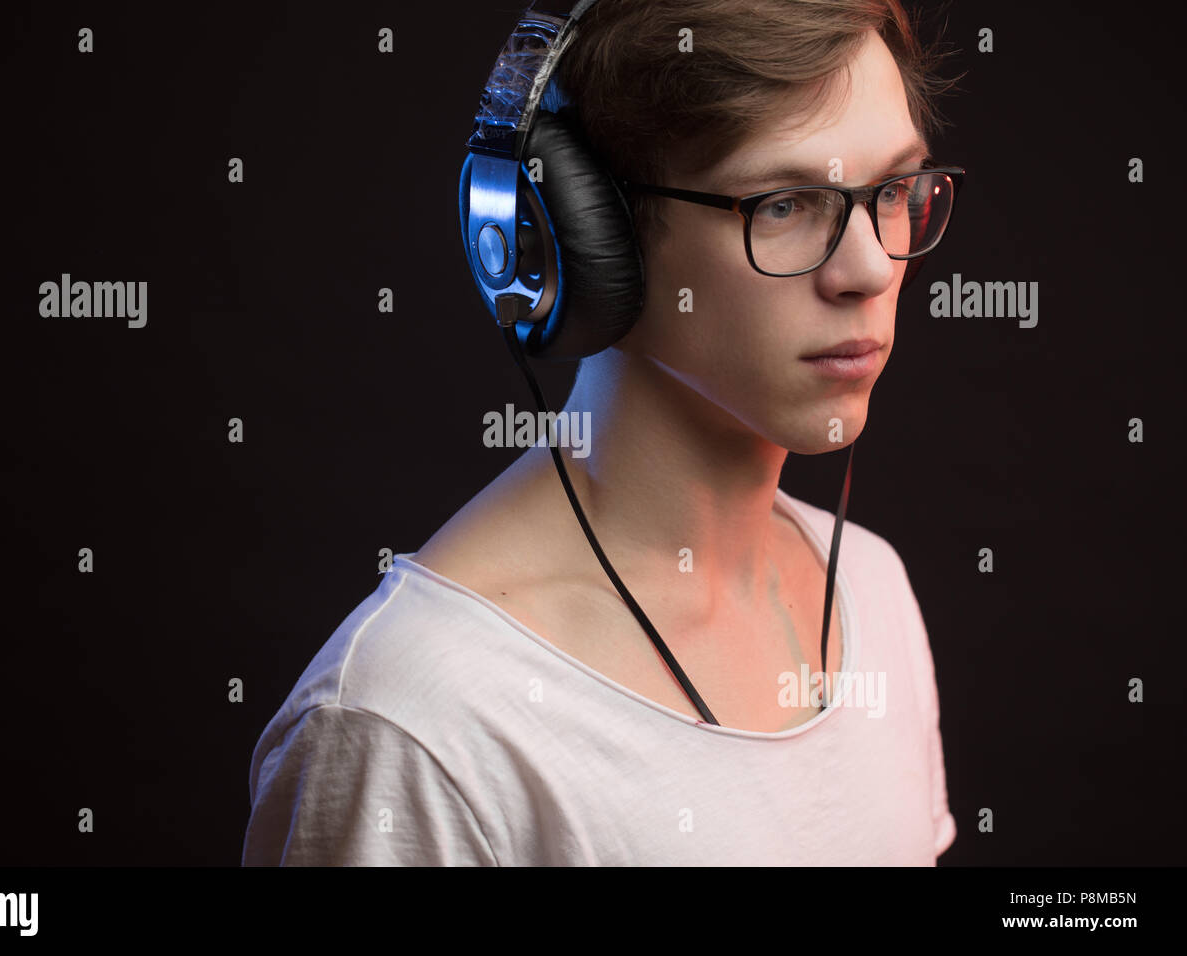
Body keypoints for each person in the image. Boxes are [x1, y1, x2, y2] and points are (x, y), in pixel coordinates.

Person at [242, 0, 961, 865]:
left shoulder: (872, 592)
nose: (872, 268)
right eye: (783, 204)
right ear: (583, 237)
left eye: (893, 192)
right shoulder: (415, 726)